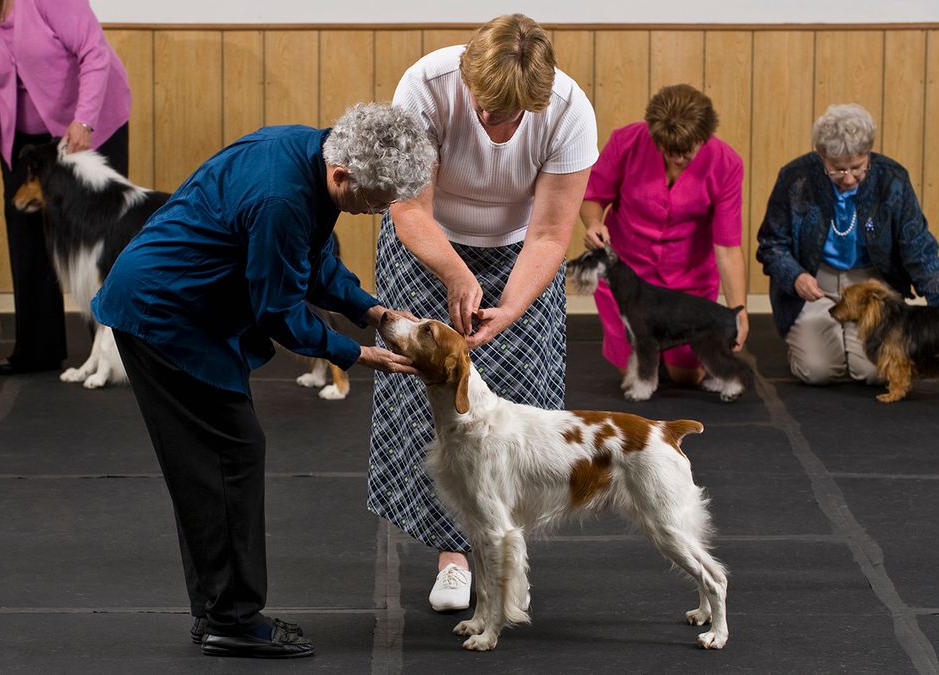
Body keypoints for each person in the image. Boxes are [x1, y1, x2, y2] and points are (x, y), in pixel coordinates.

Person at [90, 103, 436, 659]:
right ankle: (232, 620)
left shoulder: (307, 151)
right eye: (375, 201)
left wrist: (374, 312)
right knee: (228, 457)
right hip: (167, 318)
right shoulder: (282, 199)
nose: (375, 212)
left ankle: (217, 613)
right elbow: (278, 310)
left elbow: (312, 260)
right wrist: (356, 353)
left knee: (212, 465)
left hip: (184, 308)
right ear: (342, 174)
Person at [367, 14, 598, 613]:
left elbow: (550, 234)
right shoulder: (426, 86)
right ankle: (453, 557)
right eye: (484, 107)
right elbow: (409, 210)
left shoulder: (570, 112)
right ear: (467, 79)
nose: (492, 123)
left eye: (508, 114)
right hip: (429, 245)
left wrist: (513, 304)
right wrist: (455, 272)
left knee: (518, 412)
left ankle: (500, 547)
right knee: (428, 403)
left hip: (521, 253)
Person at [0, 0, 131, 374]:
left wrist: (84, 120)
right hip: (24, 134)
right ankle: (37, 350)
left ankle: (118, 352)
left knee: (97, 237)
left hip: (90, 121)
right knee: (25, 228)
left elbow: (94, 52)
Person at [756, 103, 939, 384]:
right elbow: (771, 243)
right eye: (837, 170)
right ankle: (814, 342)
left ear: (869, 154)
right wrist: (795, 276)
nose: (849, 178)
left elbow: (918, 246)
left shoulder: (892, 179)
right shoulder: (795, 177)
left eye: (857, 167)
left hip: (871, 287)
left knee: (877, 372)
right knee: (818, 370)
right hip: (814, 283)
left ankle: (849, 342)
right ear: (822, 156)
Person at [581, 83, 747, 387]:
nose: (677, 159)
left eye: (686, 152)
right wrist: (593, 223)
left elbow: (727, 249)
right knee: (633, 375)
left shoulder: (727, 164)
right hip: (628, 276)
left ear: (704, 138)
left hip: (688, 281)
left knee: (687, 377)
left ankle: (674, 359)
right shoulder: (625, 142)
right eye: (668, 151)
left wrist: (741, 313)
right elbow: (593, 196)